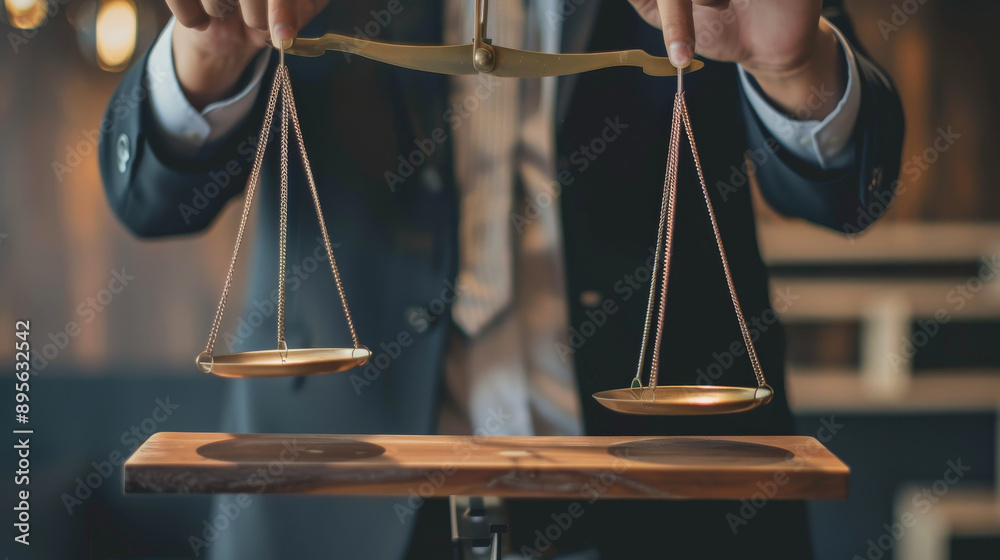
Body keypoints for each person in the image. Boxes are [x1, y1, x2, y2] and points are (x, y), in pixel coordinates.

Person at [99, 0, 903, 558]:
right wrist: (208, 57)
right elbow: (148, 201)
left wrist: (792, 66)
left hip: (673, 520)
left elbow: (850, 194)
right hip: (336, 517)